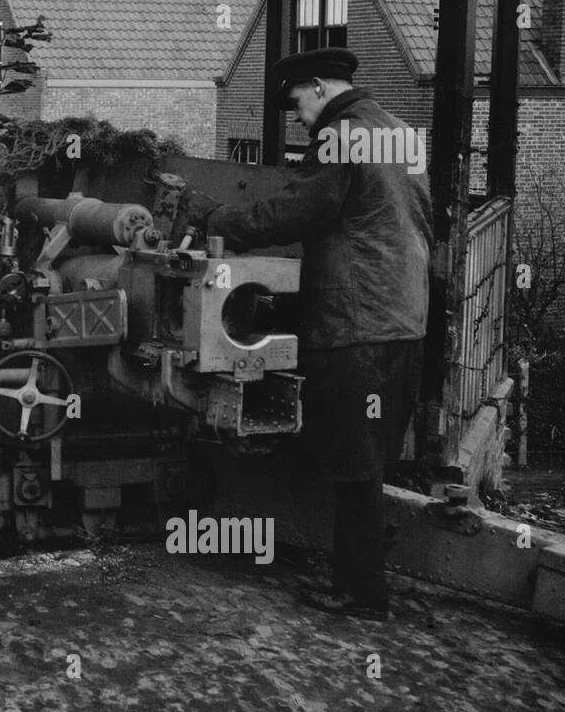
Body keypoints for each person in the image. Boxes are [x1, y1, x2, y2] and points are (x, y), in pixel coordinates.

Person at [180, 48, 433, 621]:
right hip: (404, 316)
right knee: (367, 458)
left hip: (357, 321)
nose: (296, 116)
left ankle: (363, 594)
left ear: (318, 86)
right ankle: (361, 579)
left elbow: (301, 210)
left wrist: (218, 223)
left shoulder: (341, 132)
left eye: (295, 101)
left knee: (354, 460)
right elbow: (418, 218)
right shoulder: (398, 131)